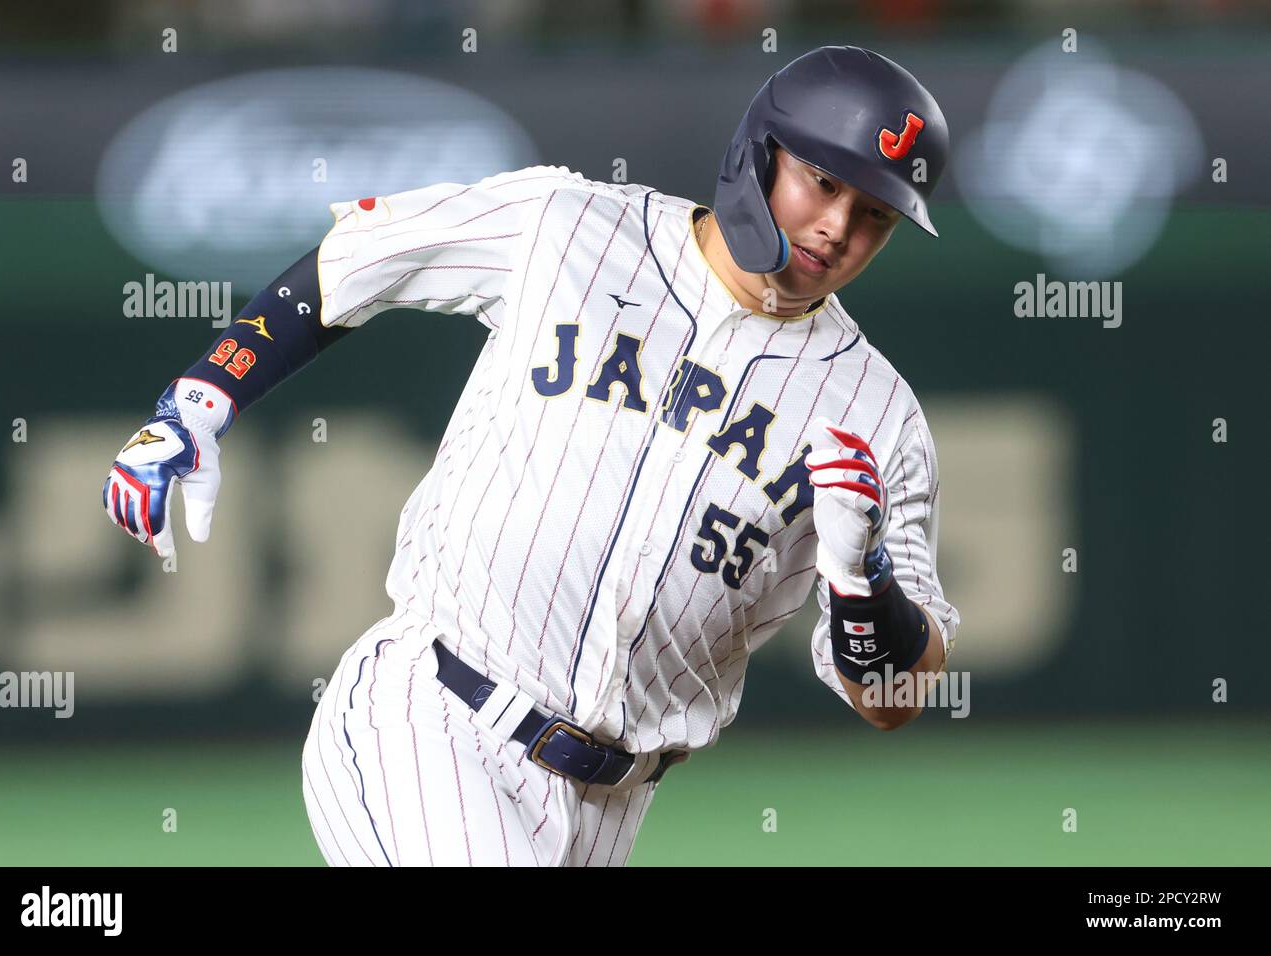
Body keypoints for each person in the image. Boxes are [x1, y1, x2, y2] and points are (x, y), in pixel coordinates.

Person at [101, 45, 960, 867]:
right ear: (762, 152)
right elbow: (362, 255)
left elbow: (894, 698)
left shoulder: (879, 420)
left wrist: (863, 578)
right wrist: (199, 403)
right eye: (823, 182)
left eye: (874, 214)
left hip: (606, 810)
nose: (838, 227)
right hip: (432, 718)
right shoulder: (571, 225)